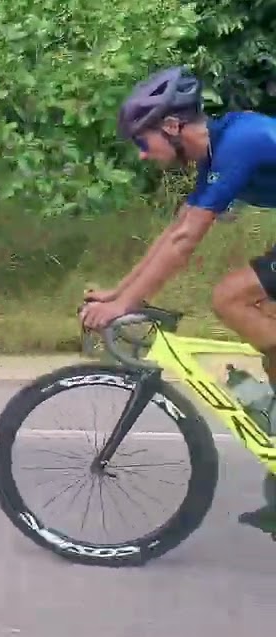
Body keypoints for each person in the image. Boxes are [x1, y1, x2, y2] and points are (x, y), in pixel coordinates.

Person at [80, 65, 276, 533]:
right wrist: (120, 292)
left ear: (171, 126)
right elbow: (175, 231)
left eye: (143, 141)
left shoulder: (239, 144)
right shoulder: (217, 153)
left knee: (231, 299)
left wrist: (124, 307)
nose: (144, 155)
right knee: (266, 322)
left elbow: (186, 242)